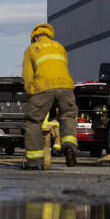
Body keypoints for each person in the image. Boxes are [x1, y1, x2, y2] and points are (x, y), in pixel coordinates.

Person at [21, 23, 78, 168]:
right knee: (68, 116)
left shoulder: (31, 49)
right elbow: (63, 67)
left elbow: (28, 76)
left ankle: (34, 162)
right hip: (66, 86)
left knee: (33, 121)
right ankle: (69, 148)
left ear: (34, 38)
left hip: (43, 86)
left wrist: (31, 94)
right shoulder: (59, 47)